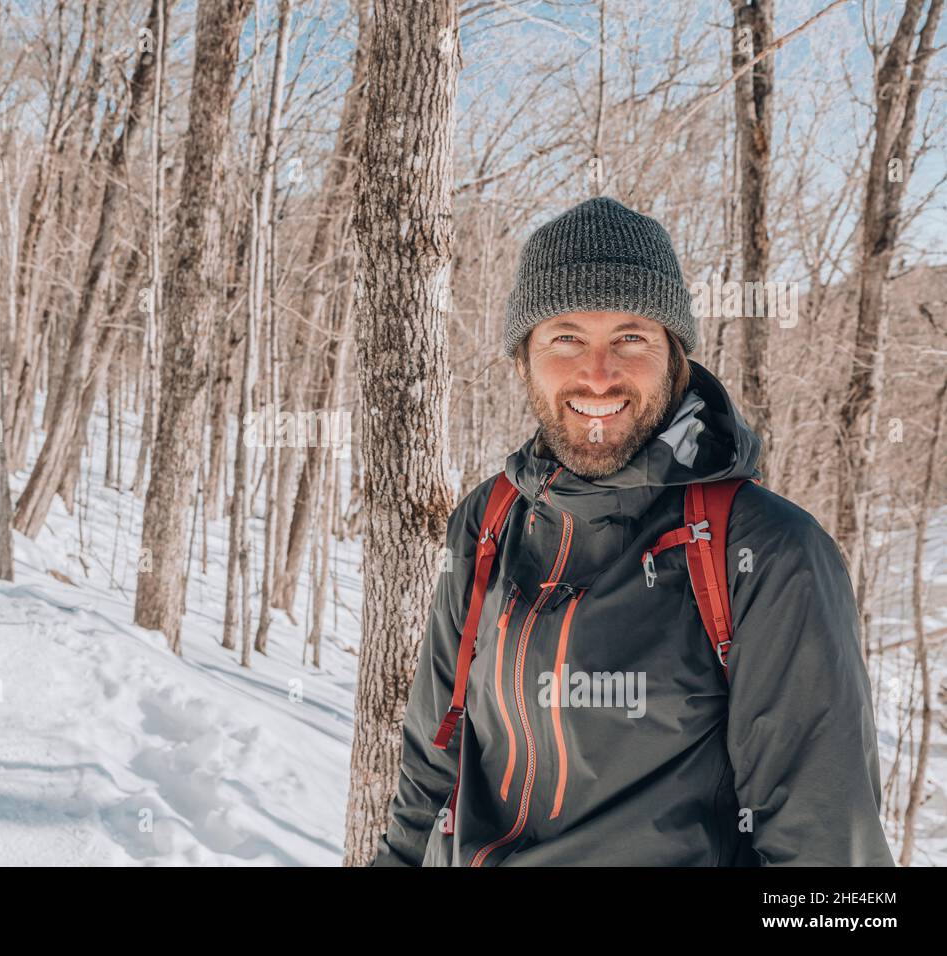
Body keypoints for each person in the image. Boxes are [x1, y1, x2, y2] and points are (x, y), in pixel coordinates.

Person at [372, 196, 894, 867]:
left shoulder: (765, 552)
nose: (597, 374)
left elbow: (827, 851)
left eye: (631, 338)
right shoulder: (489, 518)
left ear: (677, 357)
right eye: (565, 338)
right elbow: (430, 765)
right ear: (522, 360)